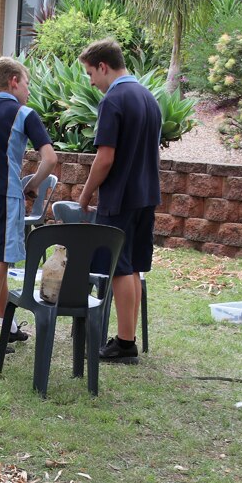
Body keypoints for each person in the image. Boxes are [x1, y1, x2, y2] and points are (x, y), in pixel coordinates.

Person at [0, 57, 58, 357]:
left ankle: (10, 326)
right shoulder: (25, 113)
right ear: (14, 81)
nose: (28, 90)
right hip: (6, 196)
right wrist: (31, 184)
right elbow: (50, 158)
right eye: (27, 84)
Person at [76, 39, 162, 365]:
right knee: (134, 267)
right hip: (147, 195)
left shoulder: (113, 99)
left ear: (103, 66)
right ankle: (128, 337)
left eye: (90, 73)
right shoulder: (148, 97)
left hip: (121, 196)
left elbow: (105, 159)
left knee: (118, 268)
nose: (91, 82)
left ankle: (125, 344)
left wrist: (85, 194)